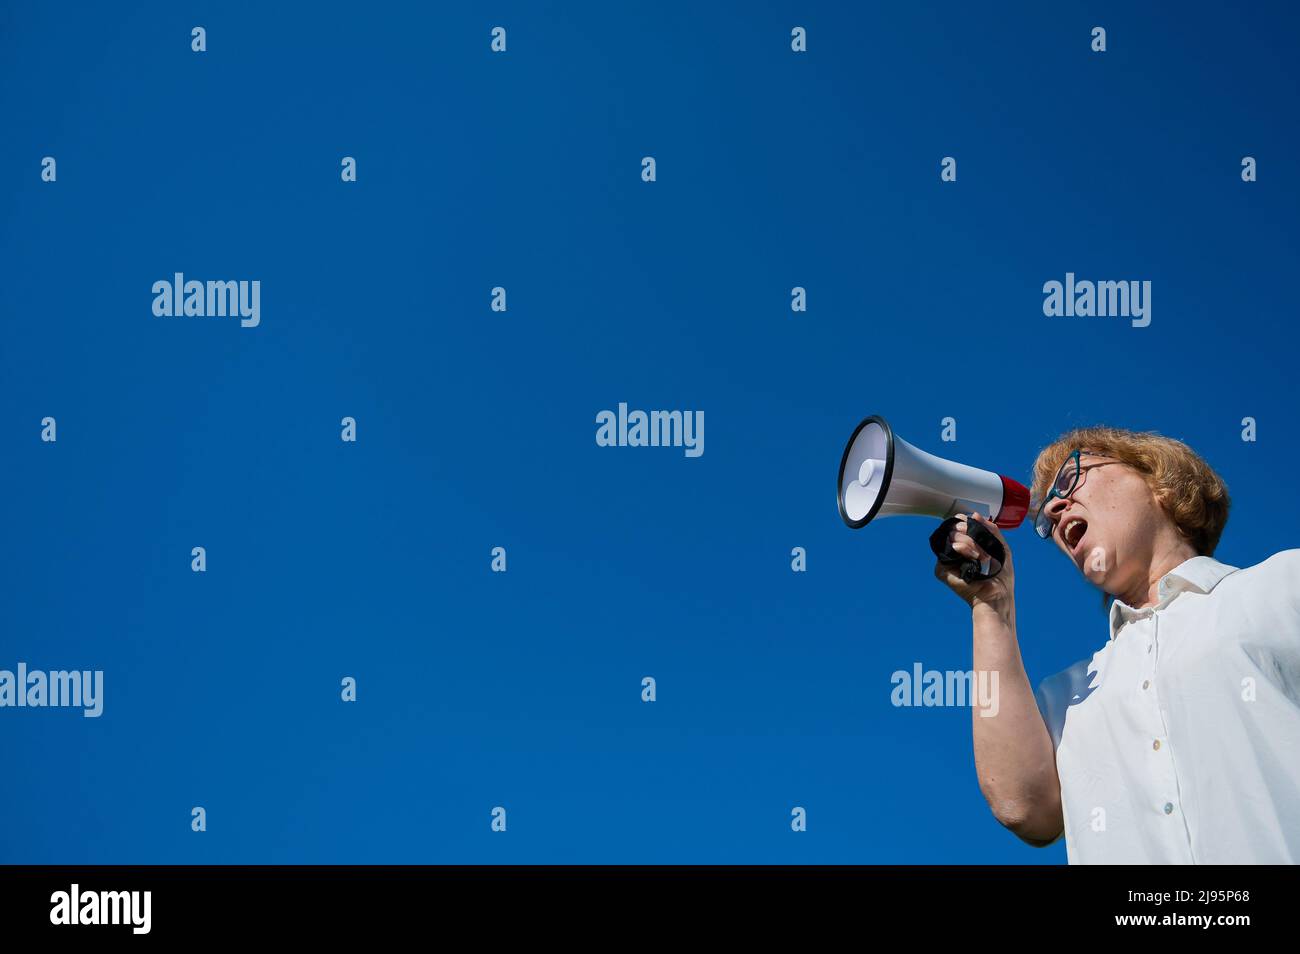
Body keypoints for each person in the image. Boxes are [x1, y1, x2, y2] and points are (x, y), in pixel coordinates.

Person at [935, 425, 1300, 863]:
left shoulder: (1281, 585)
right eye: (1047, 520)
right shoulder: (1066, 695)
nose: (1052, 509)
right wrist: (991, 607)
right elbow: (1024, 808)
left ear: (1158, 482)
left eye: (1072, 478)